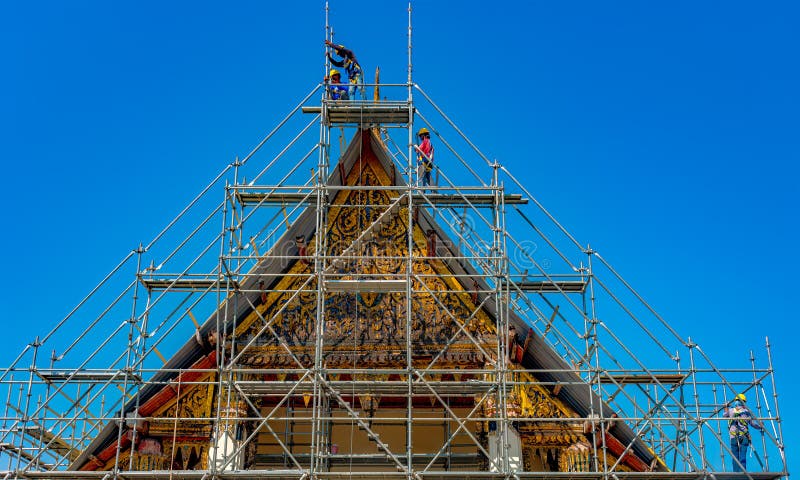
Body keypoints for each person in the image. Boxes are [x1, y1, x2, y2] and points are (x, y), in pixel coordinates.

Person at [723, 393, 764, 471]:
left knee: (735, 456)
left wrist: (726, 406)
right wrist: (760, 426)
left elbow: (725, 415)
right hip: (744, 436)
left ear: (735, 401)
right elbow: (752, 424)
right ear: (743, 402)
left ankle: (736, 473)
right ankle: (743, 472)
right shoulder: (746, 412)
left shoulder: (731, 411)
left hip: (733, 436)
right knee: (743, 455)